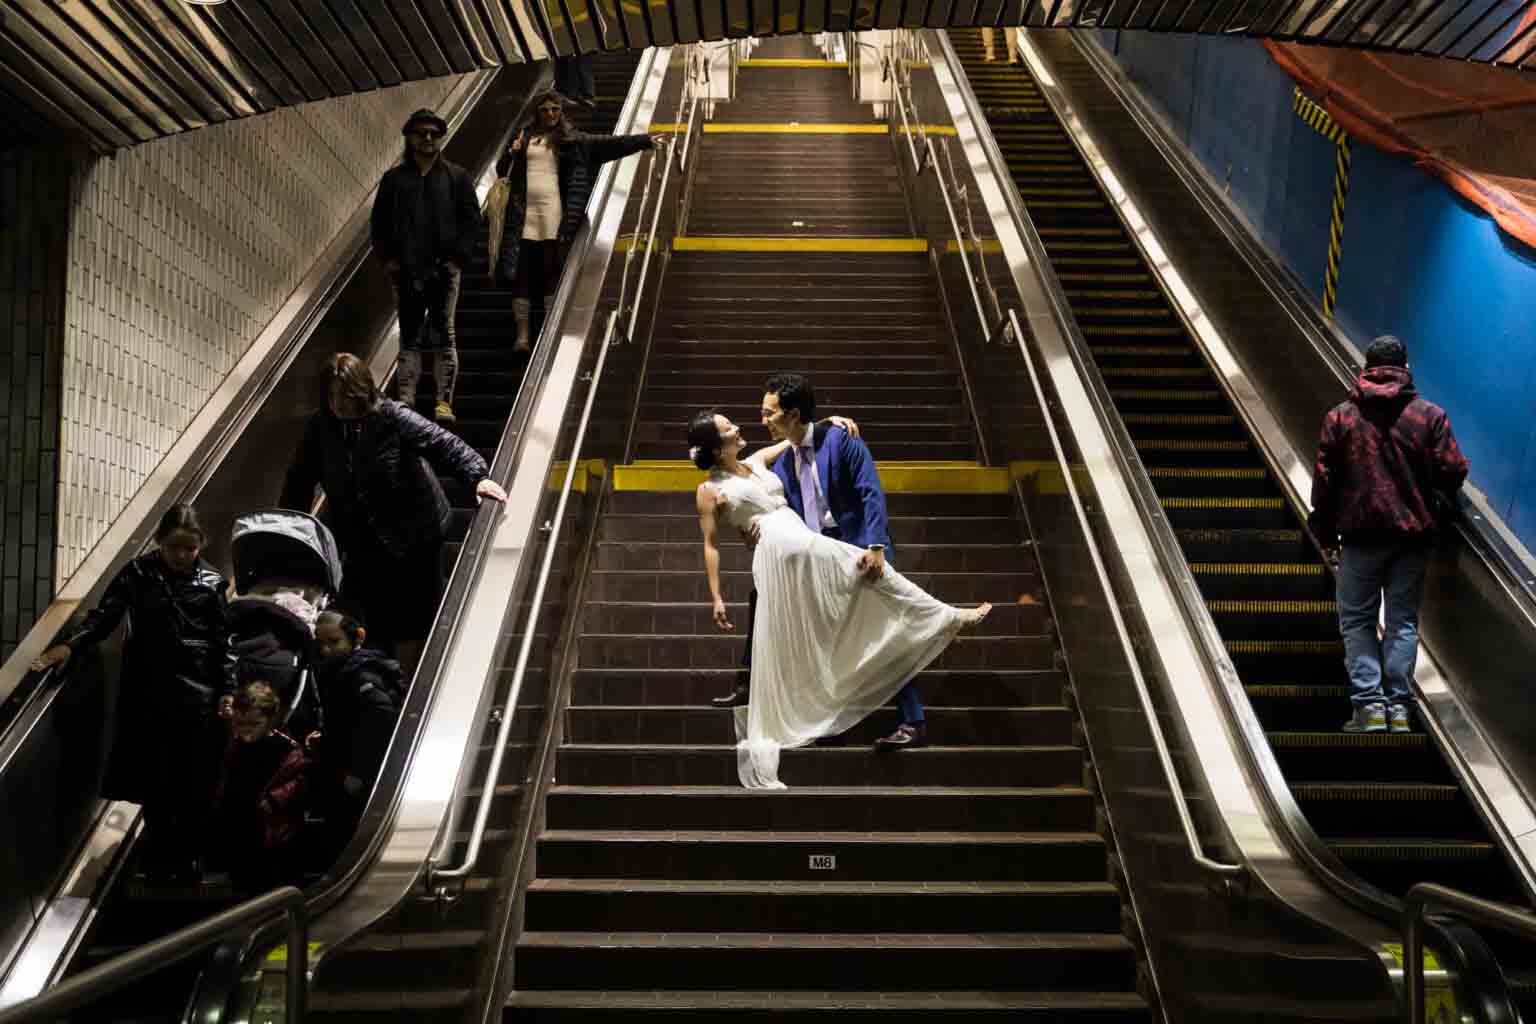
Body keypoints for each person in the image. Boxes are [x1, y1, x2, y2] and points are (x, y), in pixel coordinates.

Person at [690, 408, 991, 790]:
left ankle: (937, 623)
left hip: (798, 541)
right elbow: (710, 544)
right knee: (855, 562)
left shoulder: (756, 461)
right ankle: (947, 617)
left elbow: (795, 438)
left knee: (857, 578)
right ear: (717, 448)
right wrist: (716, 596)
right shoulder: (709, 490)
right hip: (780, 548)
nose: (739, 427)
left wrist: (829, 421)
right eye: (728, 428)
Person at [32, 504, 229, 879]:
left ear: (201, 546)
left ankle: (186, 855)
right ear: (158, 543)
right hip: (149, 689)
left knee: (190, 777)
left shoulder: (212, 582)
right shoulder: (138, 573)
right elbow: (106, 615)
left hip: (197, 692)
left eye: (190, 549)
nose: (183, 556)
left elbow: (223, 642)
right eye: (174, 548)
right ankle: (158, 853)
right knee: (155, 773)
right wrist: (71, 646)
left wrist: (228, 690)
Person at [280, 353, 507, 670]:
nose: (338, 404)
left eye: (345, 395)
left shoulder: (391, 416)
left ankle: (423, 671)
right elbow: (299, 480)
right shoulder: (321, 428)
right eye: (331, 395)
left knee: (419, 609)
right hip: (361, 535)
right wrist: (289, 532)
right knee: (374, 609)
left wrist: (477, 477)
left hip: (415, 530)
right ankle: (386, 673)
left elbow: (440, 442)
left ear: (362, 390)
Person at [1308, 335, 1469, 735]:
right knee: (1402, 622)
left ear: (1366, 368)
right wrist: (1432, 499)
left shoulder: (1342, 417)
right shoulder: (1428, 416)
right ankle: (1398, 708)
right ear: (1406, 369)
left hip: (1361, 537)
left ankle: (1369, 708)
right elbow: (1453, 469)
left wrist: (1324, 530)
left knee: (1358, 620)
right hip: (1412, 536)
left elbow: (1325, 483)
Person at [488, 90, 659, 352]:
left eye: (555, 109)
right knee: (522, 274)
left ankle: (546, 332)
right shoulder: (524, 138)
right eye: (545, 110)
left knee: (550, 271)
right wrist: (512, 153)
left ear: (561, 111)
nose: (550, 114)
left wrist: (643, 140)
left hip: (556, 215)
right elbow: (503, 172)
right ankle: (522, 335)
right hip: (525, 214)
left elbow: (610, 144)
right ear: (537, 112)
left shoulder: (573, 140)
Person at [371, 108, 482, 424]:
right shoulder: (394, 180)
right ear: (410, 137)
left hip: (444, 269)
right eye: (422, 133)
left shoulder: (456, 177)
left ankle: (442, 402)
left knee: (444, 334)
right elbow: (379, 223)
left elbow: (471, 221)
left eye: (434, 133)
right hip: (405, 270)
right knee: (410, 336)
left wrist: (457, 259)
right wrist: (388, 260)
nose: (428, 138)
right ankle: (406, 401)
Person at [309, 610, 401, 861]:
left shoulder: (362, 674)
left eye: (334, 641)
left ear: (357, 637)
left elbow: (380, 719)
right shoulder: (343, 671)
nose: (326, 650)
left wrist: (359, 772)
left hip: (358, 776)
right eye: (321, 643)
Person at [206, 681, 308, 892]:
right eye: (240, 723)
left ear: (270, 720)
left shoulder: (286, 749)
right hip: (240, 828)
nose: (246, 730)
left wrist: (274, 800)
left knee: (269, 884)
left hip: (272, 832)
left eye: (254, 724)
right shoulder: (233, 744)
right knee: (243, 883)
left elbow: (298, 781)